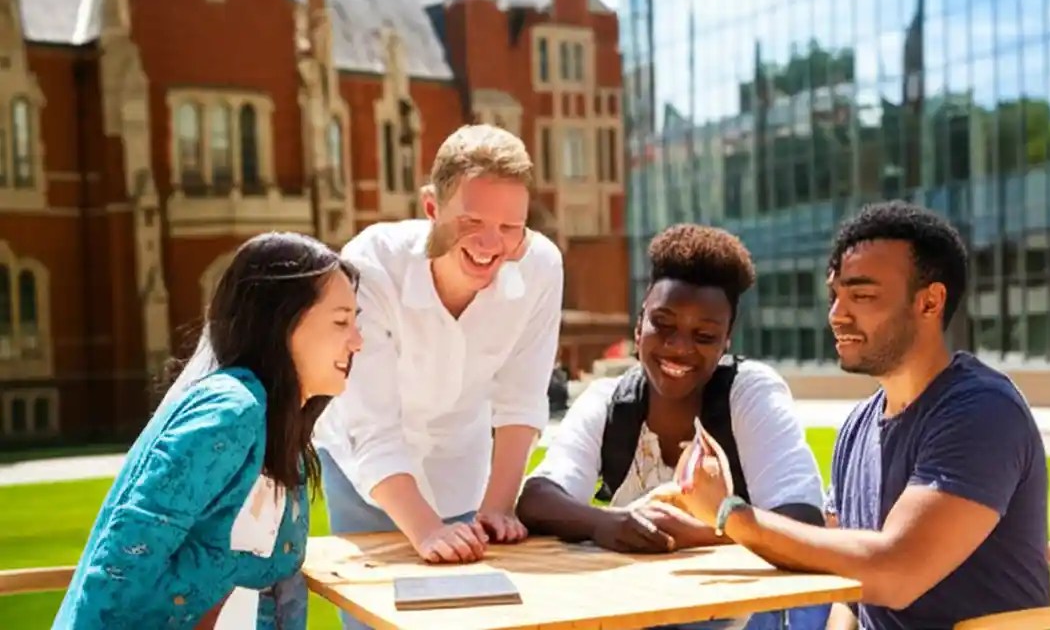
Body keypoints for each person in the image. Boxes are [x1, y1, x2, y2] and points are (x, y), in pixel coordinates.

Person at [662, 201, 1050, 630]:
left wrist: (729, 513)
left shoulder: (981, 412)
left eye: (862, 295)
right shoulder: (859, 425)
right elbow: (839, 567)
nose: (837, 314)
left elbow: (894, 573)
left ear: (930, 302)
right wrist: (699, 524)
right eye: (835, 295)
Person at [517, 223, 829, 630]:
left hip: (743, 614)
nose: (680, 347)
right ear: (638, 325)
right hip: (640, 610)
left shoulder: (749, 394)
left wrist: (699, 532)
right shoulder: (609, 402)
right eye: (663, 325)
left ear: (726, 342)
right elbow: (538, 497)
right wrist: (606, 523)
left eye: (704, 335)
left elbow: (803, 519)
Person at [312, 124, 562, 628]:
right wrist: (425, 530)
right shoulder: (371, 263)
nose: (492, 243)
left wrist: (498, 506)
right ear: (432, 208)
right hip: (367, 470)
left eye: (511, 226)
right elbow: (372, 427)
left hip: (459, 462)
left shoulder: (541, 266)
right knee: (378, 614)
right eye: (471, 220)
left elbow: (522, 398)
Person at [53, 232, 363, 629]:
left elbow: (279, 594)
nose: (357, 341)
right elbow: (121, 569)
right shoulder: (229, 413)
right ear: (280, 322)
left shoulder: (286, 435)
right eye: (341, 321)